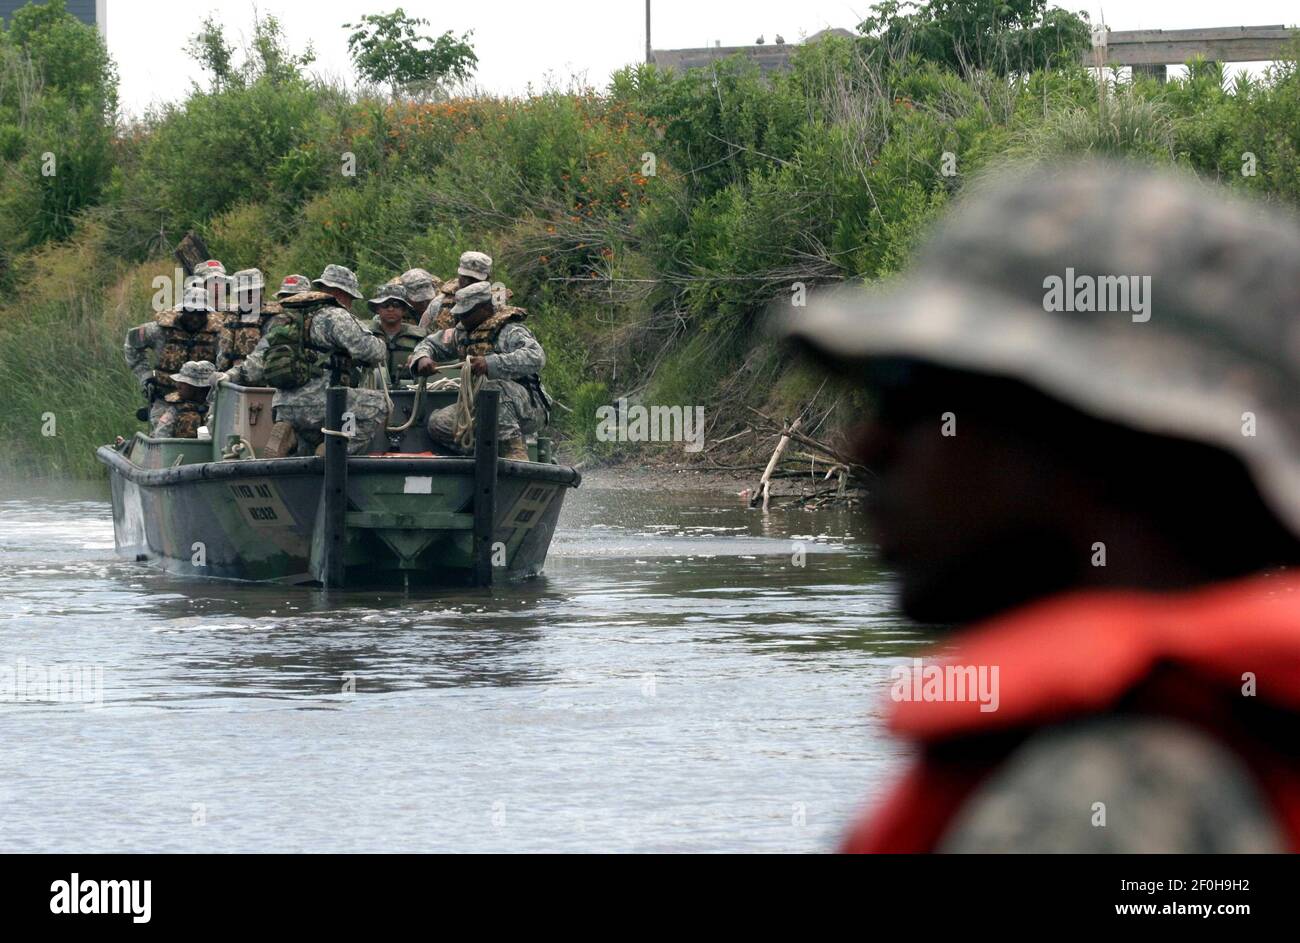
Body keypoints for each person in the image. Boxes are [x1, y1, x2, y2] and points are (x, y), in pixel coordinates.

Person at [781, 161, 1300, 853]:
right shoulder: (1211, 754)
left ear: (1121, 441)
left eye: (917, 394)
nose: (867, 444)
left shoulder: (1104, 801)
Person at [228, 265, 388, 456]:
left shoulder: (284, 319)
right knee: (379, 404)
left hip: (282, 408)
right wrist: (380, 343)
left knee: (307, 443)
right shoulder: (335, 316)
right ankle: (335, 448)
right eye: (351, 298)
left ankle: (290, 437)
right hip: (324, 405)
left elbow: (255, 366)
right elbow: (372, 351)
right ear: (340, 293)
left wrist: (228, 376)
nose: (351, 304)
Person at [408, 281, 548, 461]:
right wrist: (422, 357)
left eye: (466, 314)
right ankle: (484, 455)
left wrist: (491, 363)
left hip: (527, 407)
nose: (461, 319)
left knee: (493, 389)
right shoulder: (462, 333)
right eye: (460, 314)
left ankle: (514, 454)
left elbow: (536, 357)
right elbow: (428, 343)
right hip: (479, 404)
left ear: (485, 309)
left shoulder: (510, 331)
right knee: (438, 423)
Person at [124, 284, 223, 428]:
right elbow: (131, 343)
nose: (195, 318)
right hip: (165, 398)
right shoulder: (160, 330)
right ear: (182, 310)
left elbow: (226, 359)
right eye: (191, 312)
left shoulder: (217, 334)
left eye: (200, 313)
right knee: (162, 432)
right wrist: (145, 376)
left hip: (205, 401)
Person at [216, 268, 281, 372]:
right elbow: (223, 354)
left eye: (254, 290)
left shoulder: (275, 316)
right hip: (233, 377)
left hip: (267, 376)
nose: (249, 295)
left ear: (262, 291)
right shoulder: (231, 317)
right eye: (245, 291)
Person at [366, 282, 428, 384]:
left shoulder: (420, 337)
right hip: (371, 392)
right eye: (385, 305)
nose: (390, 309)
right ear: (377, 309)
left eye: (396, 305)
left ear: (404, 309)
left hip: (409, 394)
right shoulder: (365, 334)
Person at [421, 251, 498, 331]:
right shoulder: (439, 303)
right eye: (464, 277)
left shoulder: (497, 304)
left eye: (474, 279)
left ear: (487, 279)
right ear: (459, 275)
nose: (467, 282)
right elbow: (422, 333)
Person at [152, 360, 218, 439]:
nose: (178, 385)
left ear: (198, 387)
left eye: (184, 382)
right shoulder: (175, 409)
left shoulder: (217, 408)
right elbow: (160, 437)